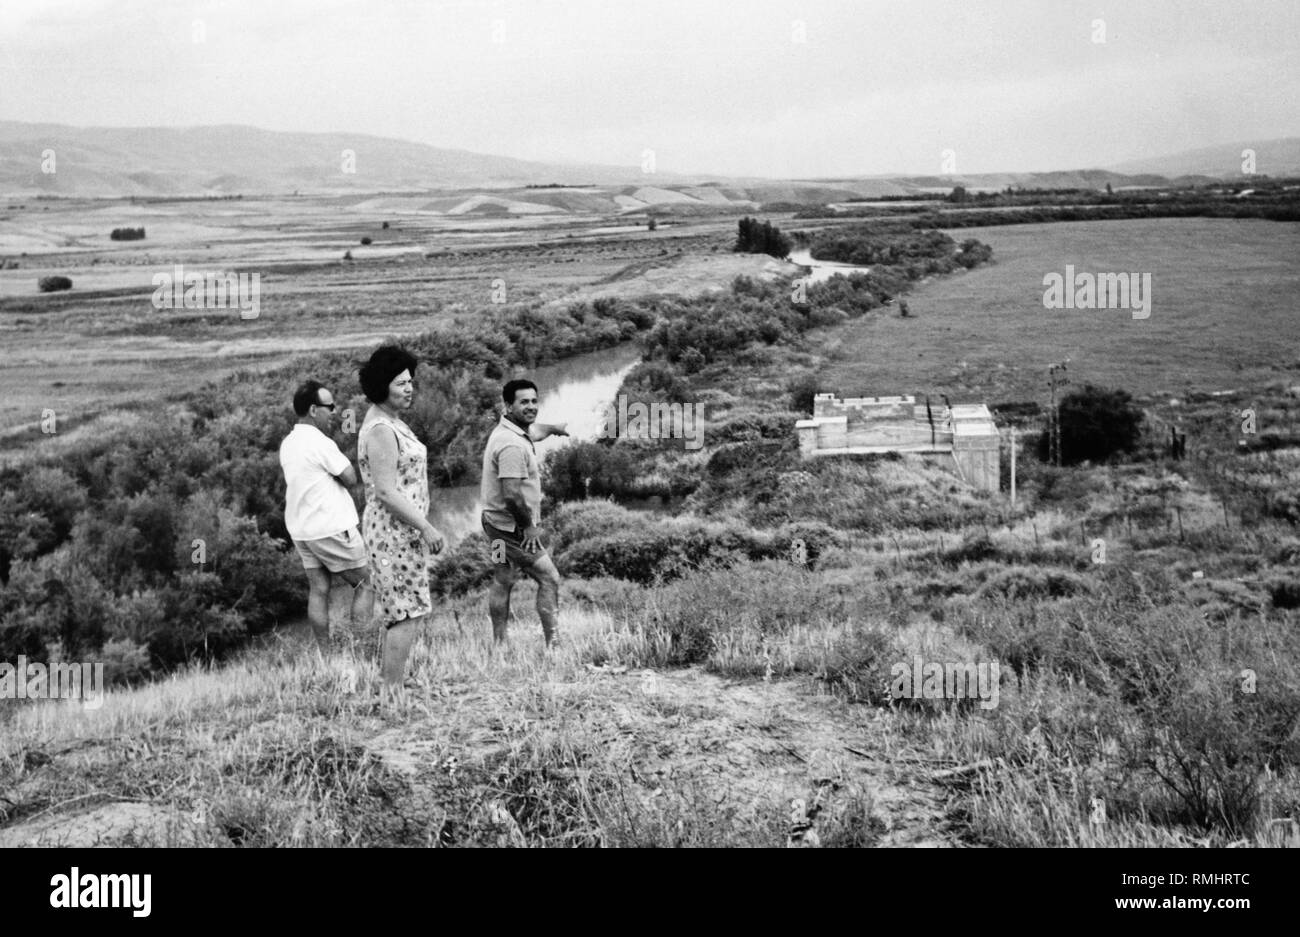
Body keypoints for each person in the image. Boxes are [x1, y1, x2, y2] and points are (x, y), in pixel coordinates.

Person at [356, 345, 445, 694]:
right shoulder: (380, 428)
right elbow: (386, 492)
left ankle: (394, 678)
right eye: (400, 383)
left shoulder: (390, 420)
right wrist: (425, 526)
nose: (409, 389)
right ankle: (390, 690)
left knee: (408, 607)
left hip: (402, 531)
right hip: (393, 533)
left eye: (411, 382)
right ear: (381, 386)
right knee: (404, 611)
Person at [279, 380, 372, 649]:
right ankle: (362, 646)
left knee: (319, 590)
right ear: (312, 410)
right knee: (366, 584)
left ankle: (326, 656)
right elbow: (351, 477)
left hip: (301, 530)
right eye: (328, 406)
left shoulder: (289, 442)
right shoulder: (320, 442)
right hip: (330, 527)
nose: (334, 411)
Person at [481, 379, 567, 646]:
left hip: (493, 526)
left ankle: (500, 644)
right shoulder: (512, 445)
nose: (531, 407)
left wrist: (554, 429)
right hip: (512, 531)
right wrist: (529, 527)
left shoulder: (510, 430)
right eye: (524, 402)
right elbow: (512, 495)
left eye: (534, 401)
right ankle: (554, 645)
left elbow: (534, 431)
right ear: (508, 405)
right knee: (550, 577)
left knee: (503, 578)